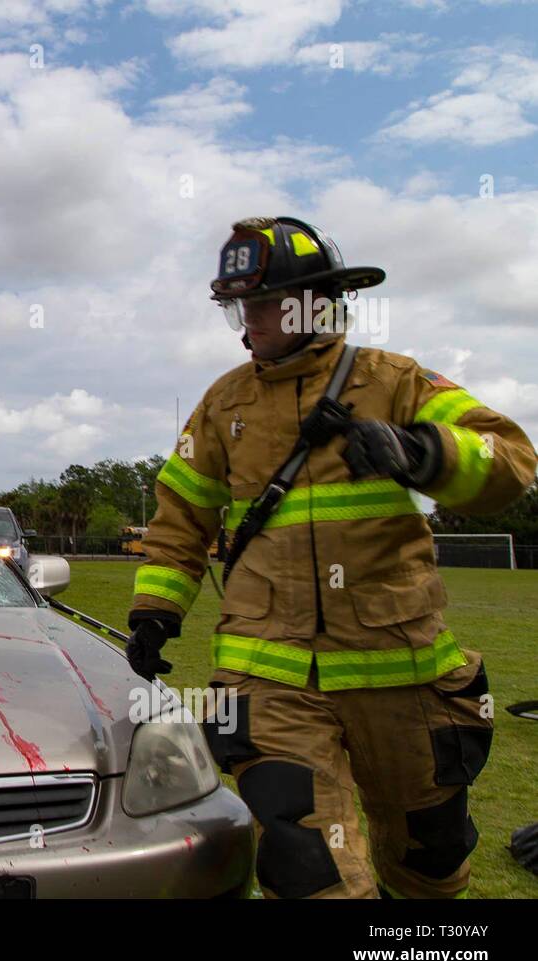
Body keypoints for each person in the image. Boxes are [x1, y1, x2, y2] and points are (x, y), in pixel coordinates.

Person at [126, 216, 537, 899]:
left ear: (309, 302)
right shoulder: (222, 403)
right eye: (237, 306)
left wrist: (423, 451)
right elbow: (180, 518)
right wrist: (154, 611)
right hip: (268, 672)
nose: (243, 323)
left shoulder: (397, 381)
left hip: (403, 669)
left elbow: (511, 460)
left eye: (255, 304)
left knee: (430, 865)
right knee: (308, 866)